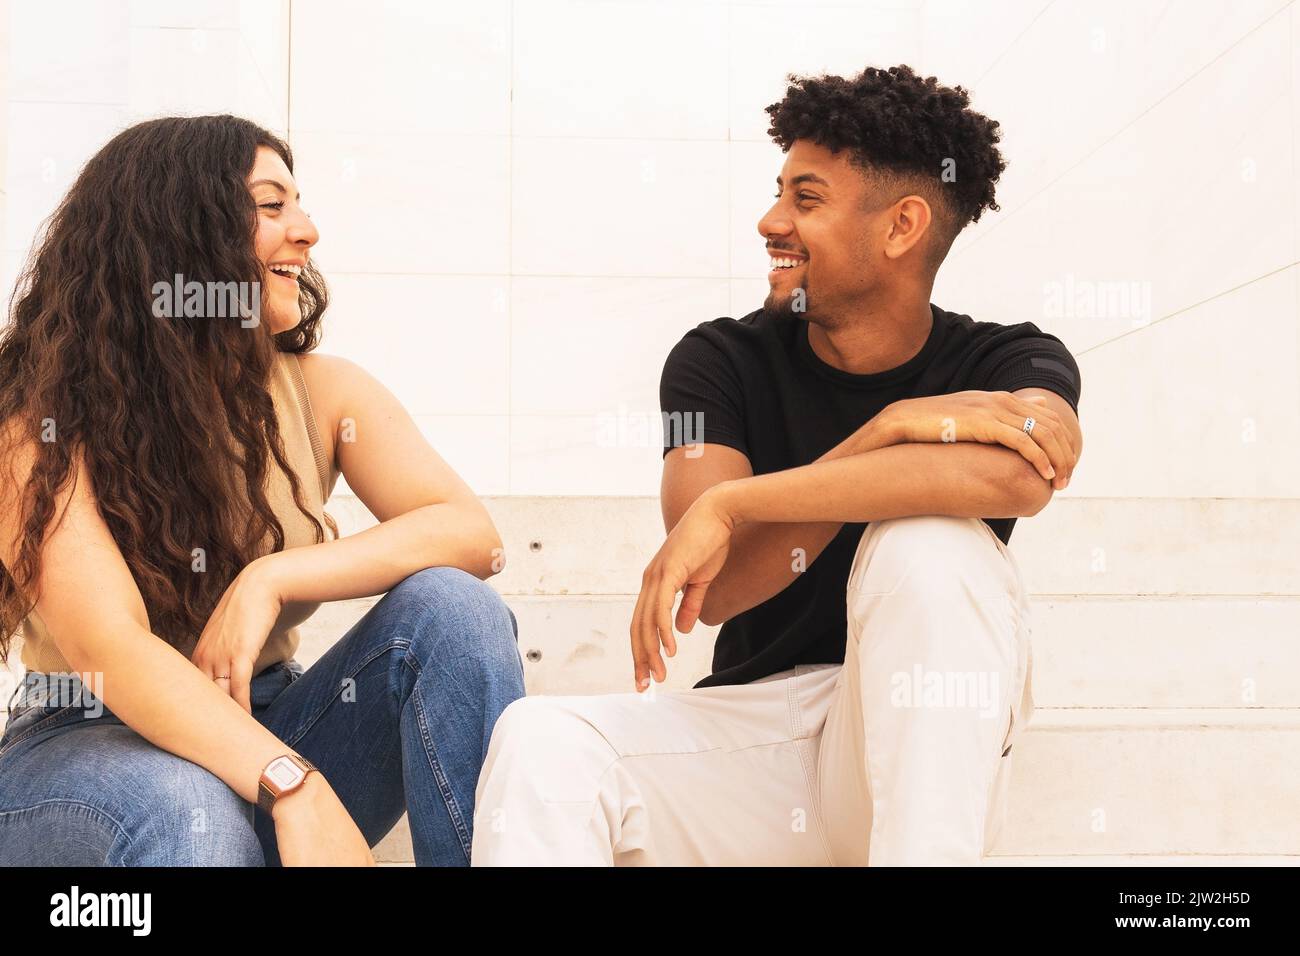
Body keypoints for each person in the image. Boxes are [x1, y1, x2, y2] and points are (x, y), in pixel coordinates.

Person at [472, 65, 1083, 866]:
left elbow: (1019, 476)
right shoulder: (716, 360)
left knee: (931, 546)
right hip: (749, 742)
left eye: (806, 198)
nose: (771, 221)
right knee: (541, 735)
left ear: (901, 227)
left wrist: (744, 501)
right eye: (779, 192)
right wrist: (883, 436)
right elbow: (714, 585)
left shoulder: (1010, 357)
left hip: (908, 750)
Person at [0, 115, 525, 866]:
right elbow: (107, 649)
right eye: (272, 207)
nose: (307, 231)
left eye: (299, 205)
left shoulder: (323, 392)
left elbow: (473, 536)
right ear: (180, 232)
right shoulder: (35, 420)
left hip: (277, 713)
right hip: (85, 740)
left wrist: (268, 579)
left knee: (456, 611)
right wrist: (293, 784)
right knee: (190, 808)